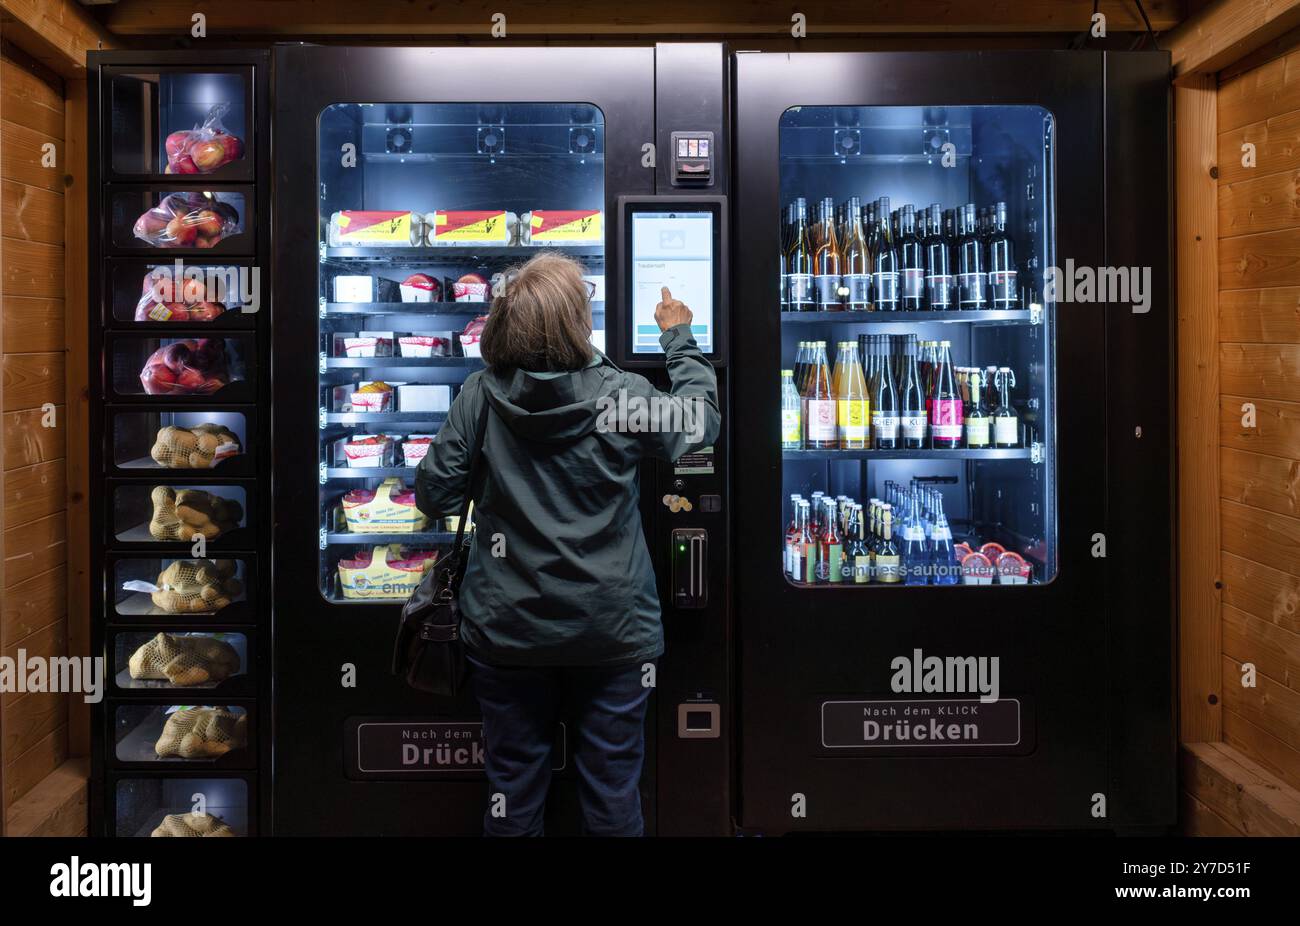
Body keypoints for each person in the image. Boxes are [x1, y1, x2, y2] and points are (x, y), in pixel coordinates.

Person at [415, 252, 719, 836]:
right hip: (612, 631)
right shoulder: (621, 395)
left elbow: (435, 495)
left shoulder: (480, 396)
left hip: (506, 632)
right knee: (612, 792)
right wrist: (678, 337)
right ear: (577, 322)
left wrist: (497, 476)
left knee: (512, 788)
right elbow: (701, 420)